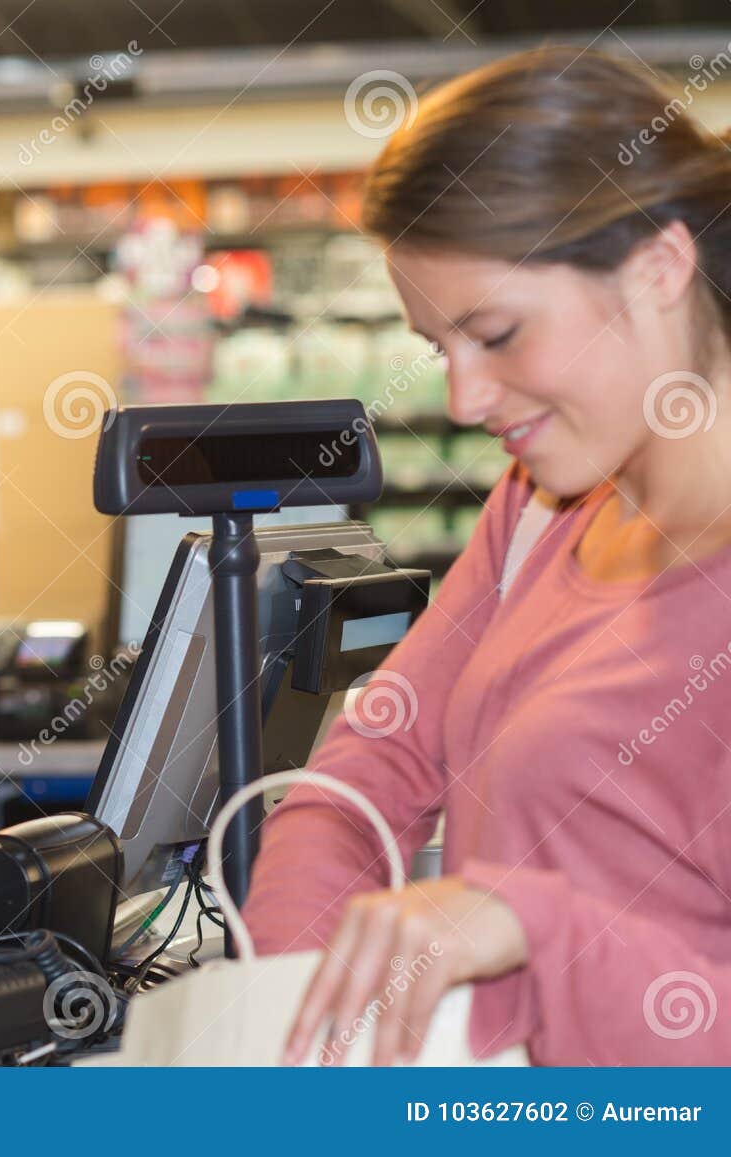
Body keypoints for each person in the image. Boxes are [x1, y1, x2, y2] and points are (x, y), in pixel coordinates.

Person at [239, 46, 731, 1066]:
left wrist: (536, 933)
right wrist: (298, 1029)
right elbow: (364, 775)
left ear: (658, 267)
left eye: (497, 334)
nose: (464, 398)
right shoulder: (541, 509)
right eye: (438, 346)